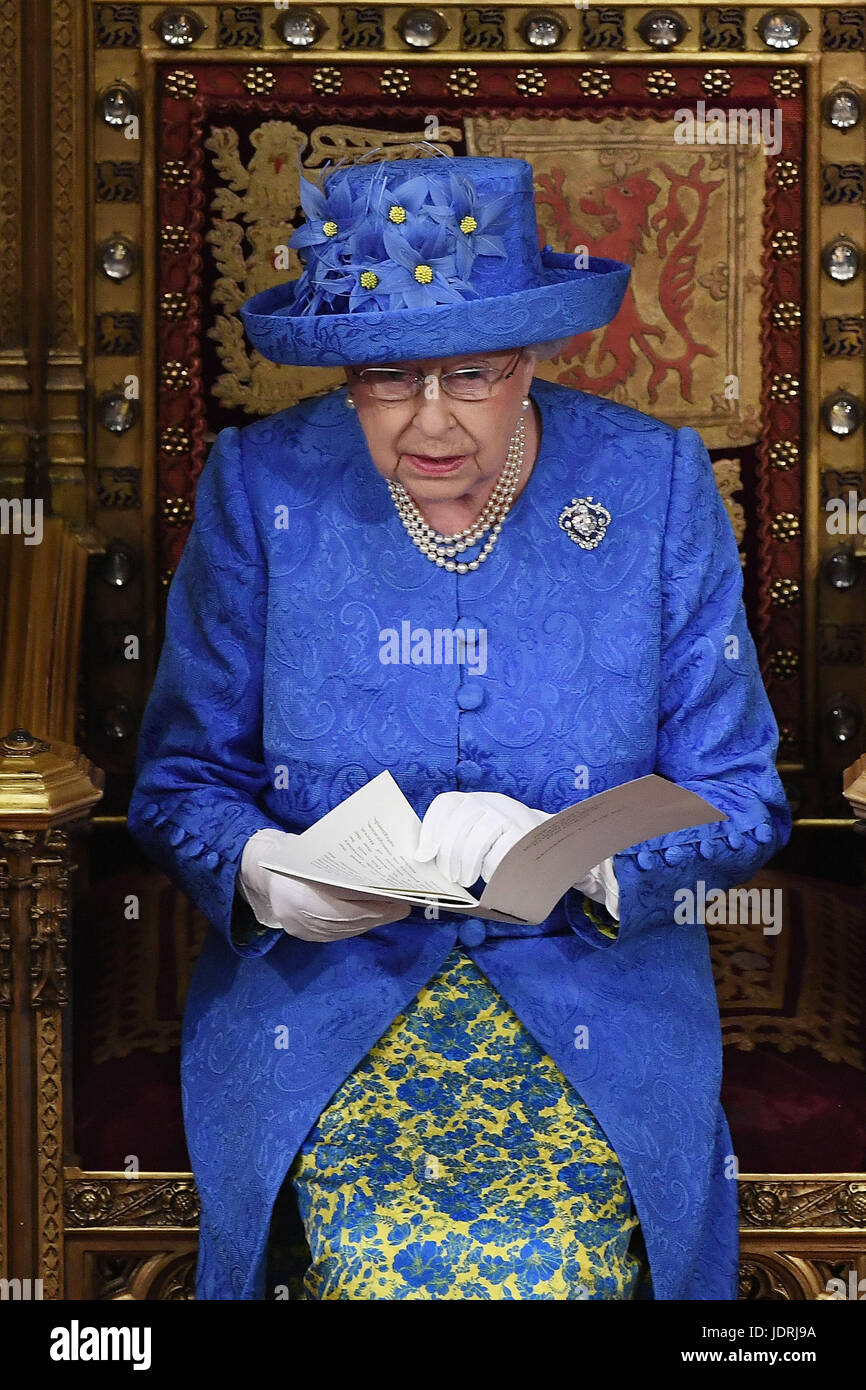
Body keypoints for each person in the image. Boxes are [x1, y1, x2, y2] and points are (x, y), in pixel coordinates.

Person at [128, 152, 791, 1301]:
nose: (429, 423)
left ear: (528, 361)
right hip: (325, 1000)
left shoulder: (651, 484)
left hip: (593, 994)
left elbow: (739, 792)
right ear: (346, 377)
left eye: (473, 375)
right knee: (377, 1267)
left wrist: (570, 853)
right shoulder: (259, 485)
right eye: (387, 381)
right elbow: (181, 778)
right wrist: (260, 872)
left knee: (548, 1270)